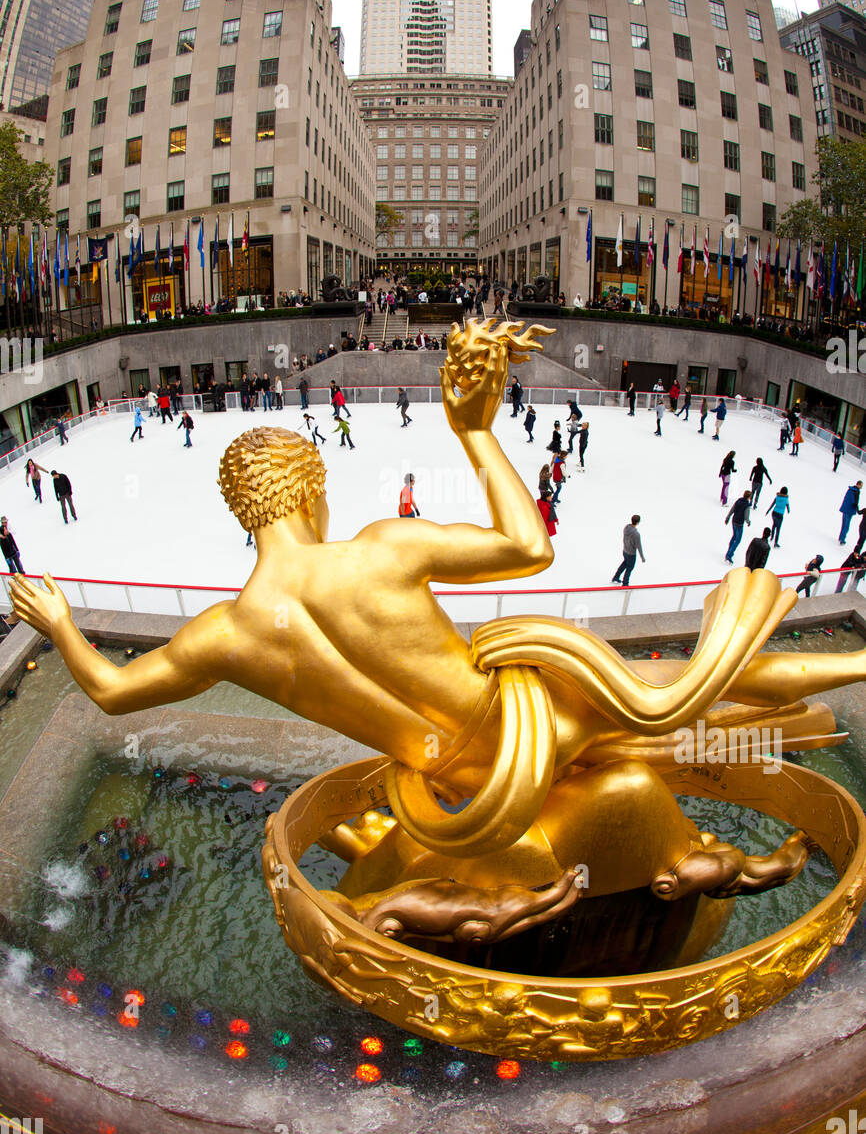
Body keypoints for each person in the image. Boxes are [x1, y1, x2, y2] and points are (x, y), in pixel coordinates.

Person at [14, 320, 866, 899]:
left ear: (245, 512)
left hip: (461, 783)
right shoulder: (382, 548)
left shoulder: (224, 636)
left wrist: (58, 624)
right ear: (310, 495)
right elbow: (531, 546)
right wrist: (475, 430)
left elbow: (114, 695)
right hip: (527, 724)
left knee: (682, 709)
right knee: (692, 684)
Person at [612, 515, 645, 586]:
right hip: (631, 554)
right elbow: (639, 547)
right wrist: (642, 557)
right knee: (629, 568)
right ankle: (625, 584)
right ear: (638, 522)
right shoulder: (636, 534)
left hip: (625, 551)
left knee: (624, 564)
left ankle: (616, 577)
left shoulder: (626, 528)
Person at [724, 491, 752, 564]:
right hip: (739, 523)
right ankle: (729, 555)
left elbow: (732, 510)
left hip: (734, 521)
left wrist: (728, 517)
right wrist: (748, 521)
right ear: (749, 497)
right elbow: (746, 516)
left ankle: (729, 551)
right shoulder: (747, 505)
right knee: (737, 540)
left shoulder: (738, 501)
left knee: (734, 537)